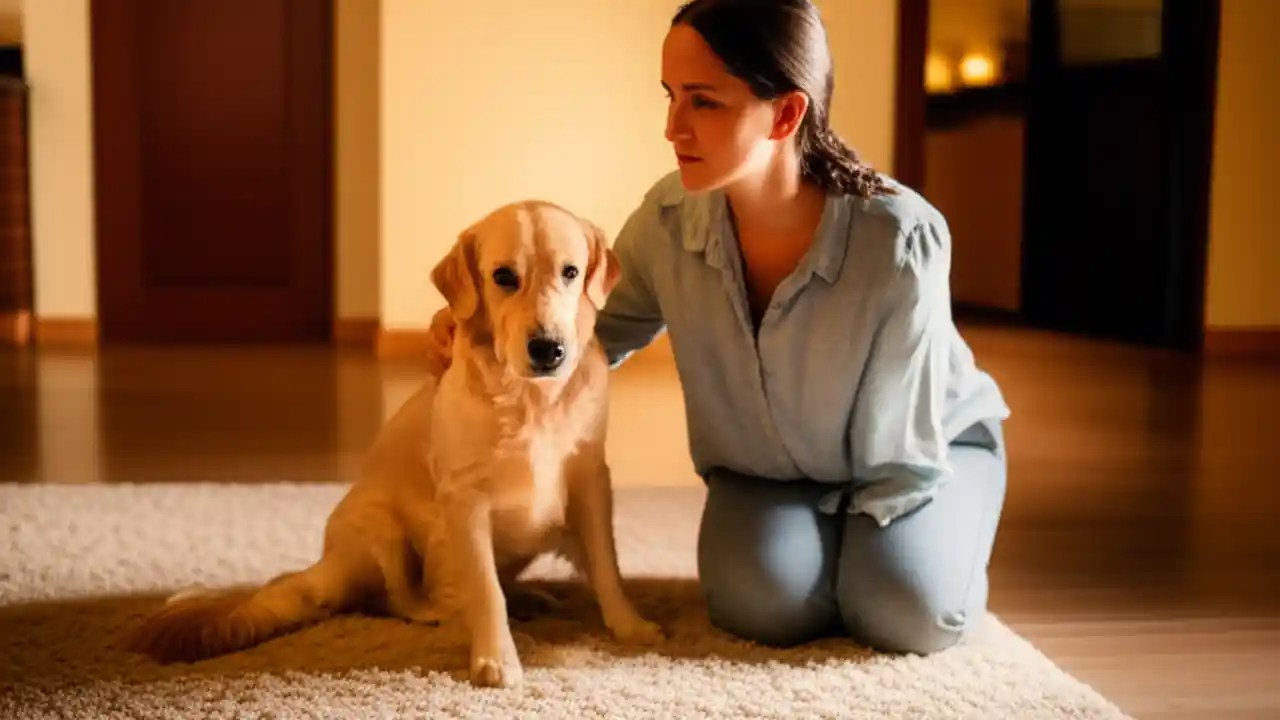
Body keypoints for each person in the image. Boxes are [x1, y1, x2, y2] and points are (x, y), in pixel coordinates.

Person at [431, 0, 1011, 655]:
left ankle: (908, 554)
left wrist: (871, 559)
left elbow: (901, 441)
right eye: (671, 96)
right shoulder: (667, 222)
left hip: (915, 458)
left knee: (904, 611)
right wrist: (483, 328)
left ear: (785, 115)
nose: (672, 127)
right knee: (760, 606)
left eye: (703, 102)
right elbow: (592, 337)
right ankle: (834, 565)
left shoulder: (900, 241)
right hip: (771, 475)